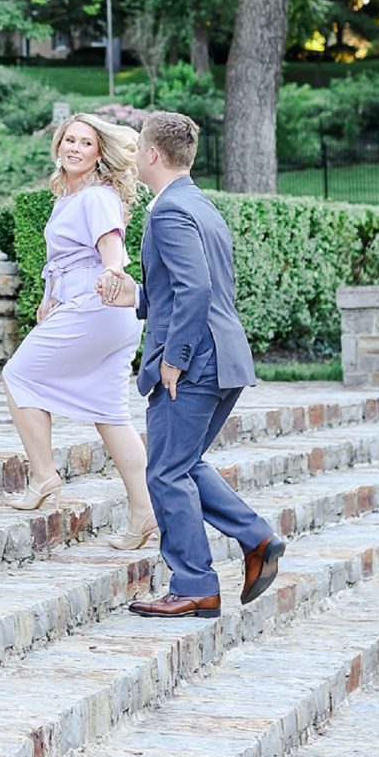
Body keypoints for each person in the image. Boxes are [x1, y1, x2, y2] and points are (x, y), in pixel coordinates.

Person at [98, 111, 284, 618]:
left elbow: (196, 289)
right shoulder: (198, 204)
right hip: (224, 359)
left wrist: (173, 360)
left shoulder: (167, 212)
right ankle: (255, 539)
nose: (135, 156)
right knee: (180, 464)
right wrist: (134, 297)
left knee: (164, 473)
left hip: (194, 362)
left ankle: (195, 584)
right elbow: (190, 286)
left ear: (152, 154)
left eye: (138, 148)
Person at [0, 113, 157, 550]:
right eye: (69, 140)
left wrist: (110, 271)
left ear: (99, 153)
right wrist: (50, 296)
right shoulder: (69, 195)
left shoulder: (97, 196)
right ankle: (144, 514)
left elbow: (110, 245)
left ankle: (44, 475)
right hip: (98, 309)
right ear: (58, 145)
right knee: (111, 414)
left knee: (19, 375)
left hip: (97, 303)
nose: (74, 148)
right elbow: (67, 257)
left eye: (86, 143)